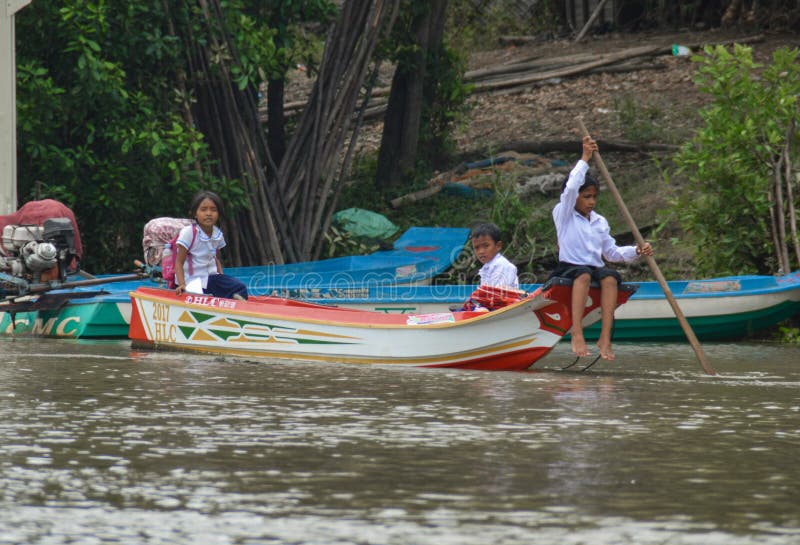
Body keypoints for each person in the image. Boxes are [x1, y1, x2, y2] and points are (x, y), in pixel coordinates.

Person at [552, 136, 652, 361]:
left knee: (610, 278)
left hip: (592, 268)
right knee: (584, 274)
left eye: (594, 197)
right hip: (570, 267)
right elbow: (569, 189)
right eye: (586, 197)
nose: (591, 202)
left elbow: (612, 253)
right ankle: (577, 331)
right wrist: (585, 158)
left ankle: (605, 337)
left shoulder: (599, 222)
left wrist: (637, 251)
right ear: (575, 197)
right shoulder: (563, 213)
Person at [174, 190, 248, 300]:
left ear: (218, 213)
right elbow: (179, 262)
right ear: (195, 213)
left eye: (213, 210)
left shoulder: (217, 234)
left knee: (240, 288)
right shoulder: (189, 233)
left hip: (211, 278)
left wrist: (222, 277)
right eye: (203, 210)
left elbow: (215, 258)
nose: (208, 213)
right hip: (192, 280)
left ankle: (231, 309)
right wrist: (182, 285)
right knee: (201, 297)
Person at [471, 222, 519, 288]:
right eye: (476, 248)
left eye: (486, 246)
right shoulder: (487, 267)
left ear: (498, 246)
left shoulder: (504, 266)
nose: (481, 251)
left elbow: (497, 294)